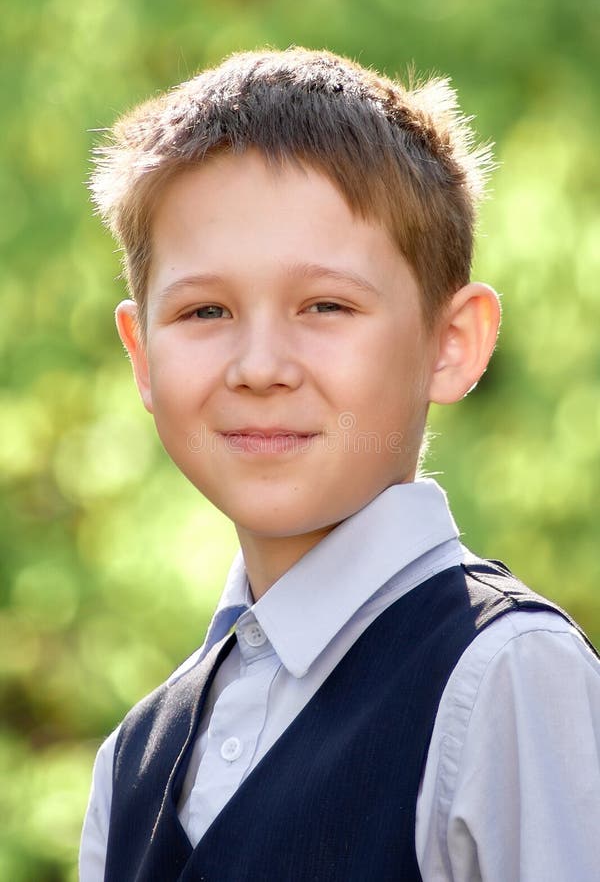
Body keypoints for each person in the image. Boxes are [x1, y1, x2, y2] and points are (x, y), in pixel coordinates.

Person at [79, 48, 600, 881]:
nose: (259, 365)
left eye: (325, 306)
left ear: (452, 343)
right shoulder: (133, 758)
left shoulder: (505, 677)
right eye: (204, 309)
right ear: (142, 356)